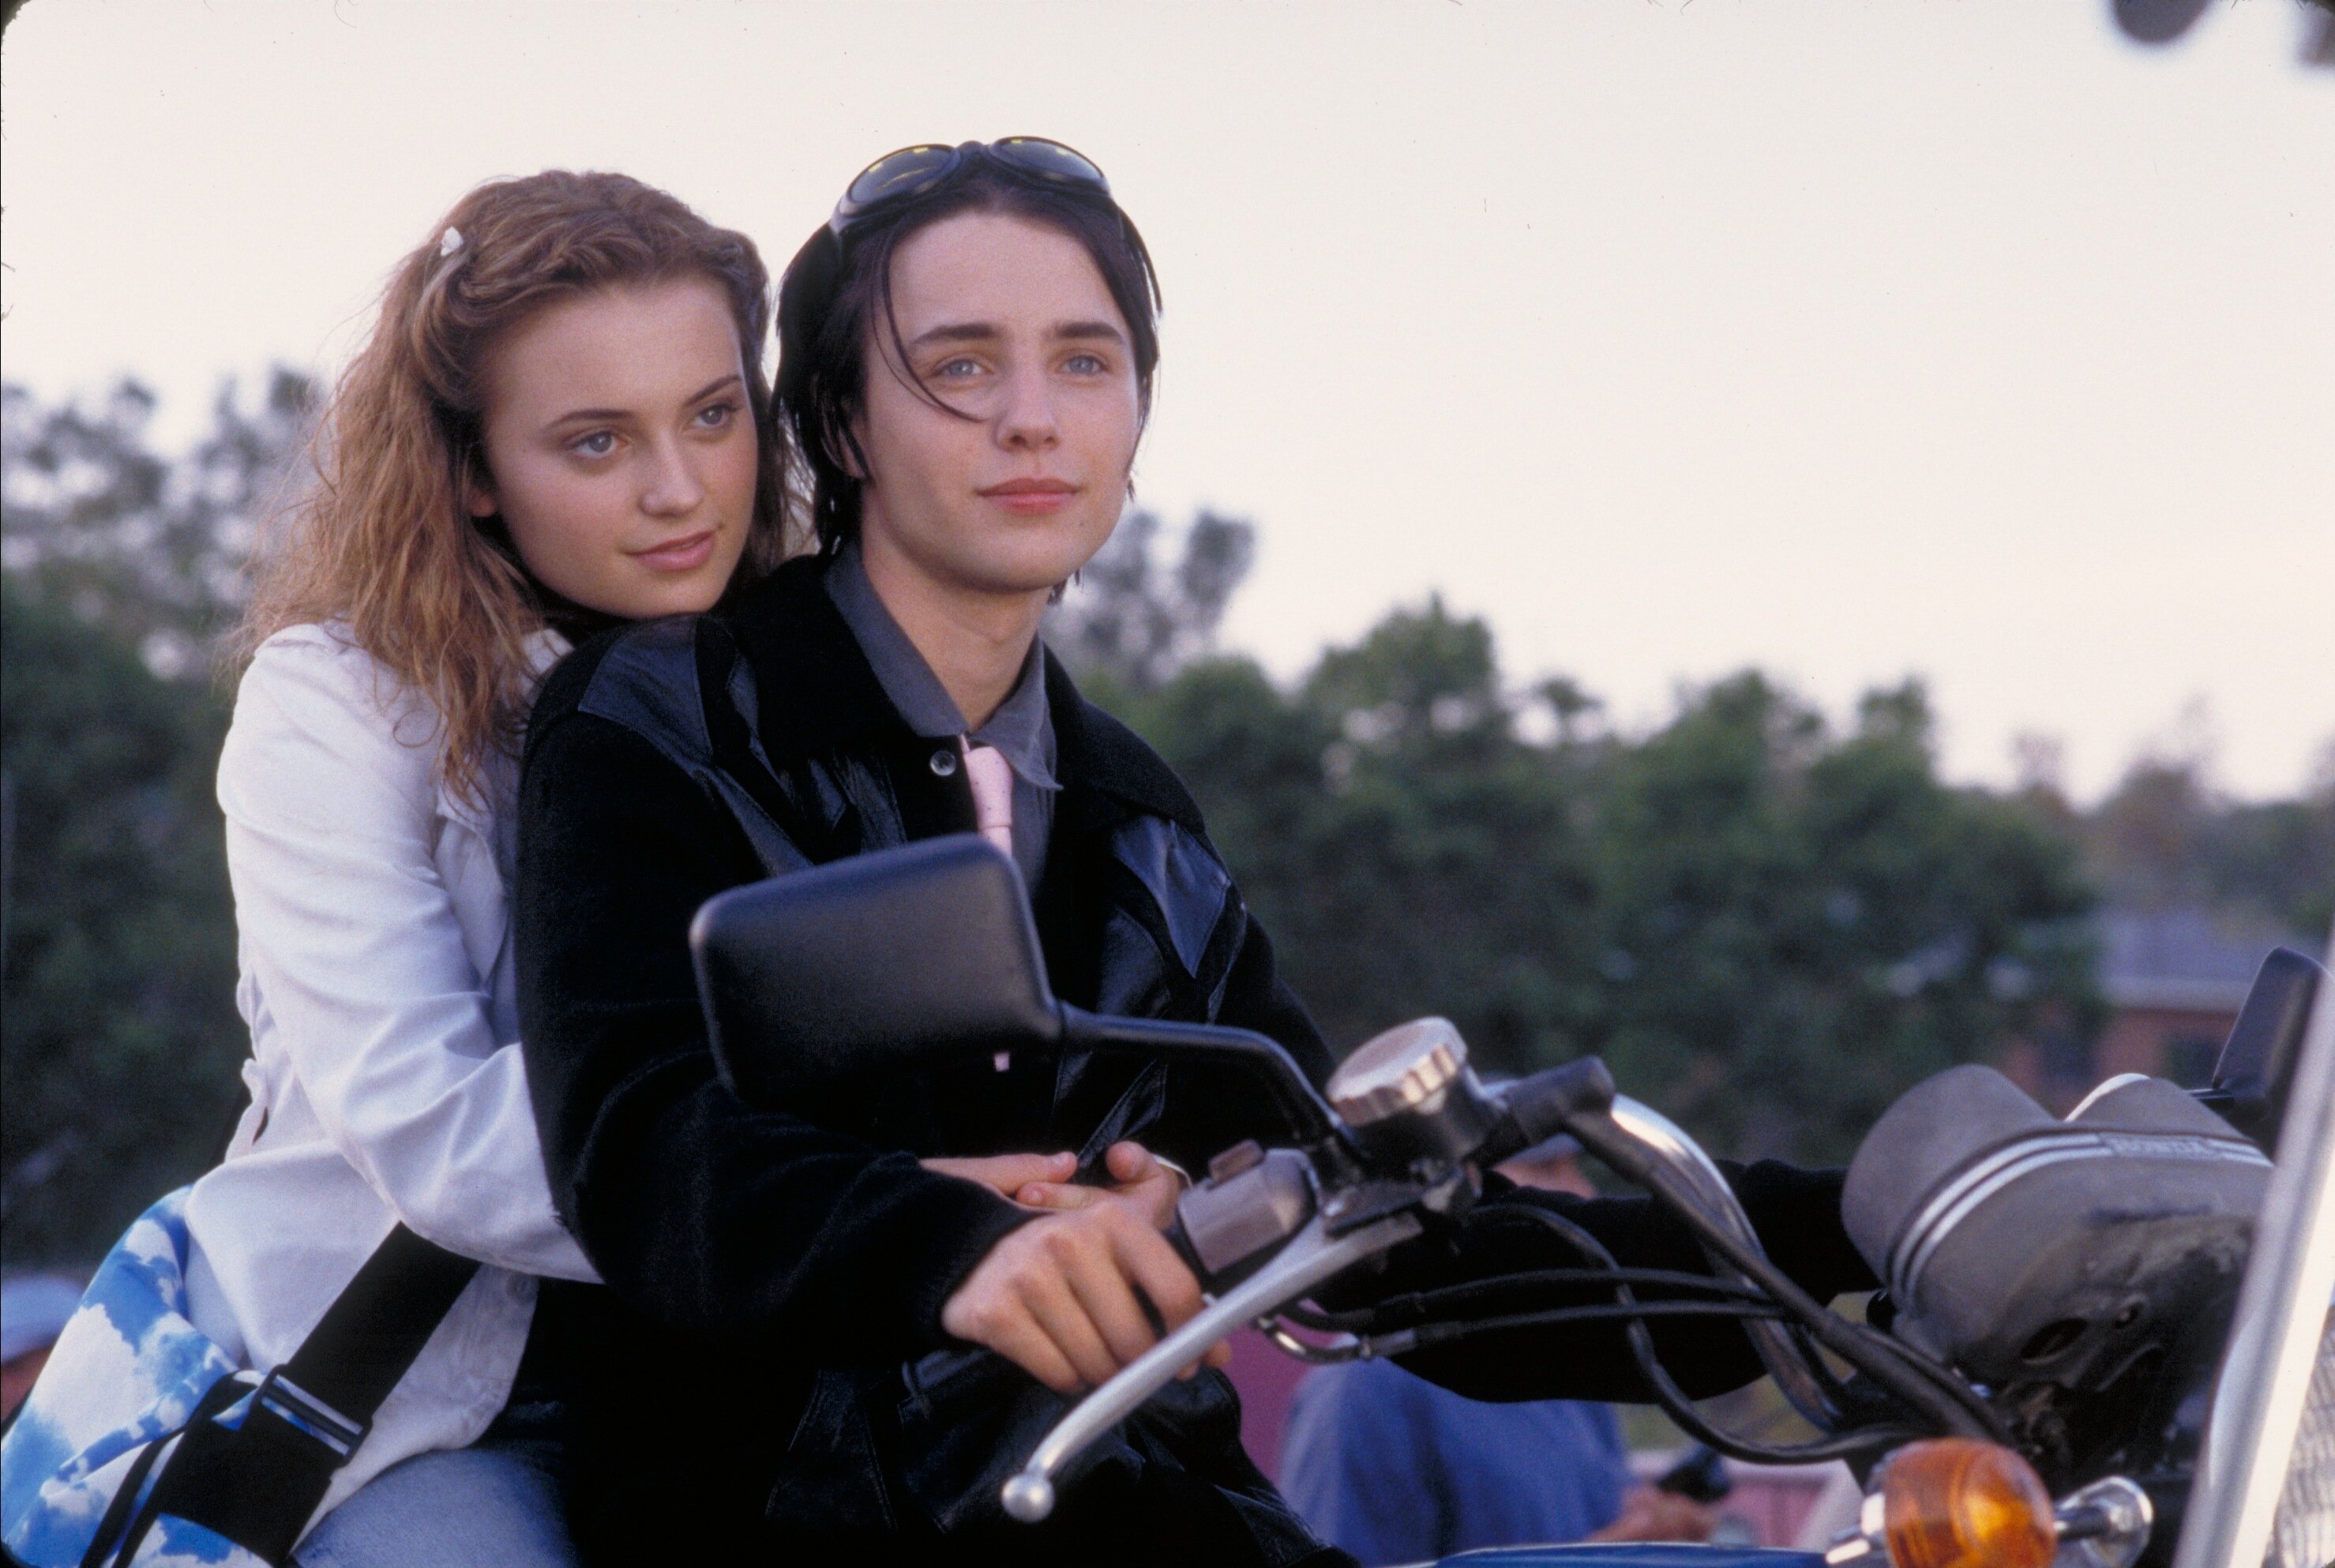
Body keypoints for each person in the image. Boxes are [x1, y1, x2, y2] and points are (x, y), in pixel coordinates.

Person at [512, 137, 1875, 1566]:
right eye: (961, 365)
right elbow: (640, 1137)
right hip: (794, 1512)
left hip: (1150, 1512)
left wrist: (1865, 1227)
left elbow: (1379, 1218)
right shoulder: (673, 715)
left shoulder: (1134, 818)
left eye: (1083, 361)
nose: (1032, 418)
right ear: (843, 423)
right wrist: (958, 1248)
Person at [186, 170, 791, 1566]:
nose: (678, 488)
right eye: (596, 441)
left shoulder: (781, 679)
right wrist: (840, 1184)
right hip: (422, 1405)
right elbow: (435, 1133)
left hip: (733, 1376)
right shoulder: (336, 703)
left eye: (712, 415)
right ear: (468, 469)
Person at [1278, 1136, 1718, 1564]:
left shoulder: (1562, 1358)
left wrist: (1647, 1539)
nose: (1585, 1191)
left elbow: (1590, 1529)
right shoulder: (1364, 1385)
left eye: (1575, 1168)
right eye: (1547, 1168)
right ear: (1452, 1192)